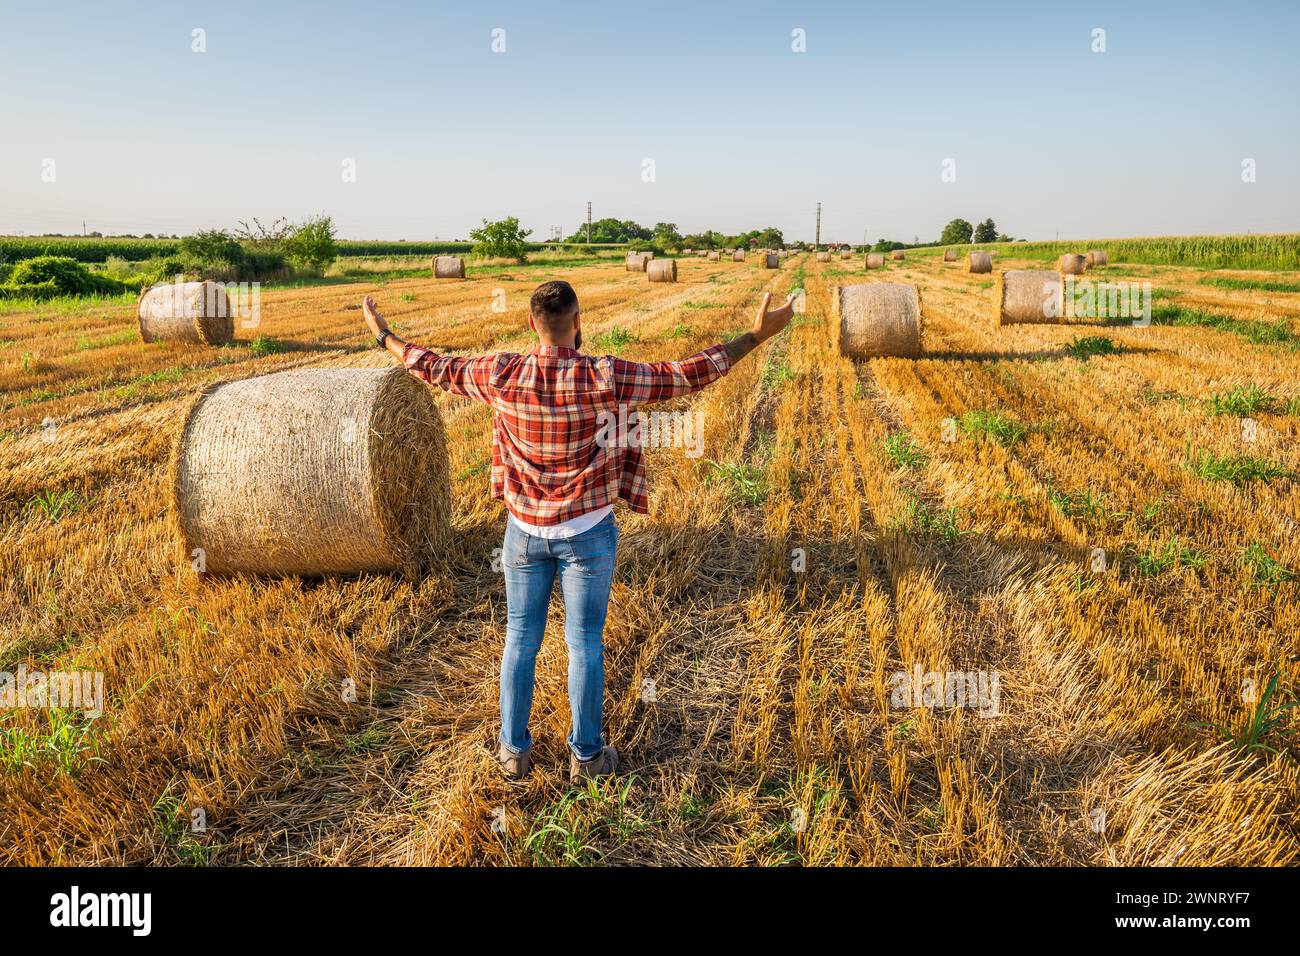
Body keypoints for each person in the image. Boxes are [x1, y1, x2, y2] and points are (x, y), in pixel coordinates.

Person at [362, 280, 796, 782]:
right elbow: (686, 375)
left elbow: (434, 366)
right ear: (579, 323)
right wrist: (755, 336)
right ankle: (586, 757)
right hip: (587, 532)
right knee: (585, 642)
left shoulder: (501, 373)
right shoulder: (603, 376)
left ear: (532, 324)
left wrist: (385, 336)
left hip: (524, 532)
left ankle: (513, 752)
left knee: (520, 638)